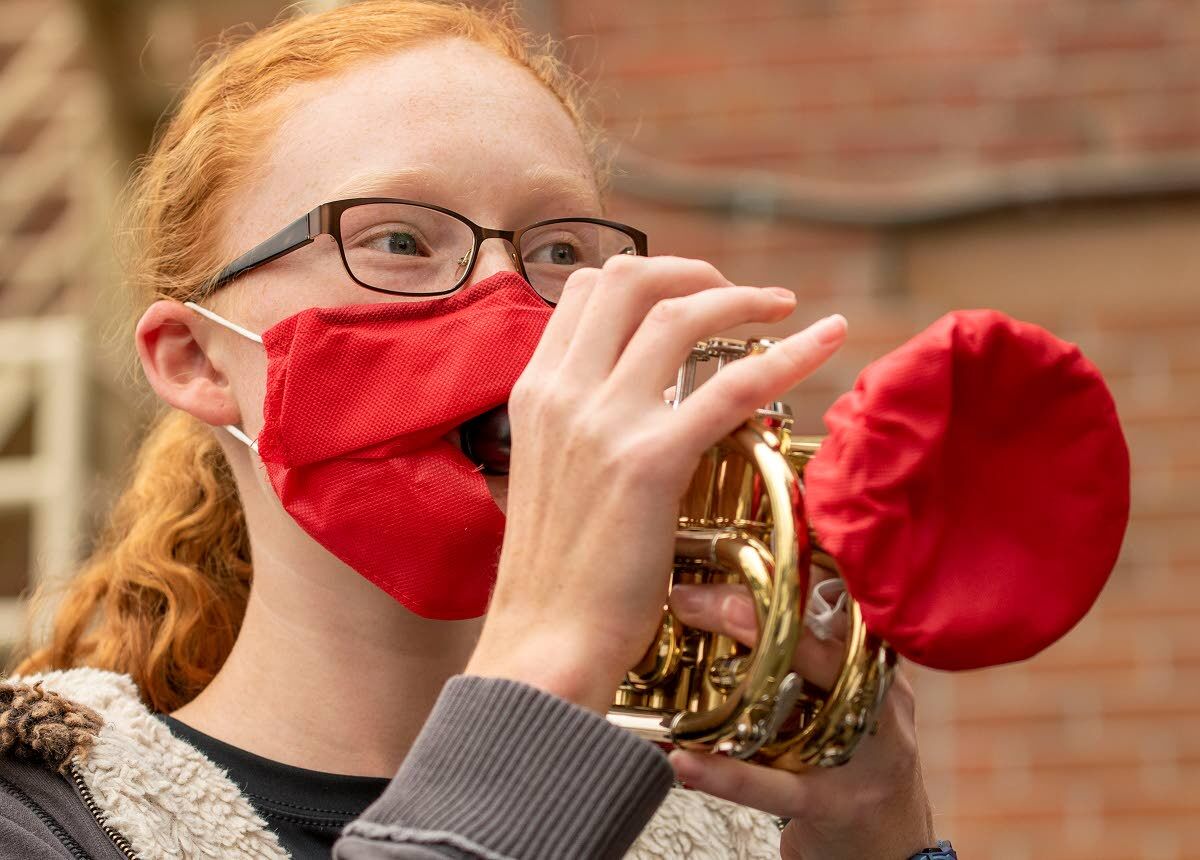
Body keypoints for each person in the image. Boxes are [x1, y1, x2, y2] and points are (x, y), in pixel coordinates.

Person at [0, 3, 943, 858]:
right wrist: (553, 649)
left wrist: (877, 830)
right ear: (196, 361)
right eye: (400, 241)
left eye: (560, 251)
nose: (505, 303)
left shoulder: (722, 808)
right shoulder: (47, 814)